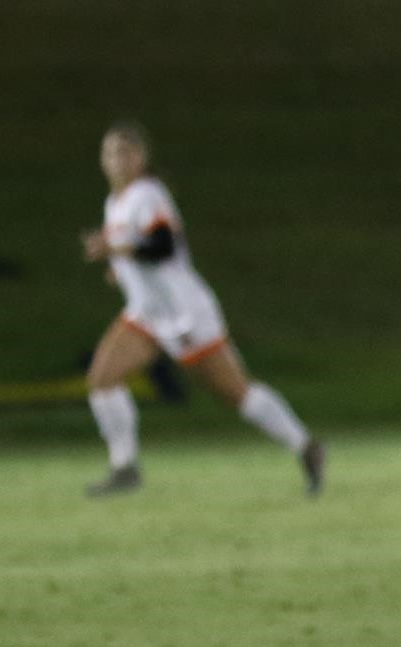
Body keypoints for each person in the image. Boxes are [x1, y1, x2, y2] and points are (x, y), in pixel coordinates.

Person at [79, 122, 323, 497]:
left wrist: (116, 252)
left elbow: (163, 246)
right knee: (102, 378)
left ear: (141, 158)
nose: (117, 159)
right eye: (110, 152)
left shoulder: (148, 194)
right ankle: (125, 468)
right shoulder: (115, 203)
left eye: (126, 152)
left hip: (185, 314)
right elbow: (137, 252)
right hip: (147, 314)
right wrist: (120, 268)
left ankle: (305, 445)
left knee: (236, 393)